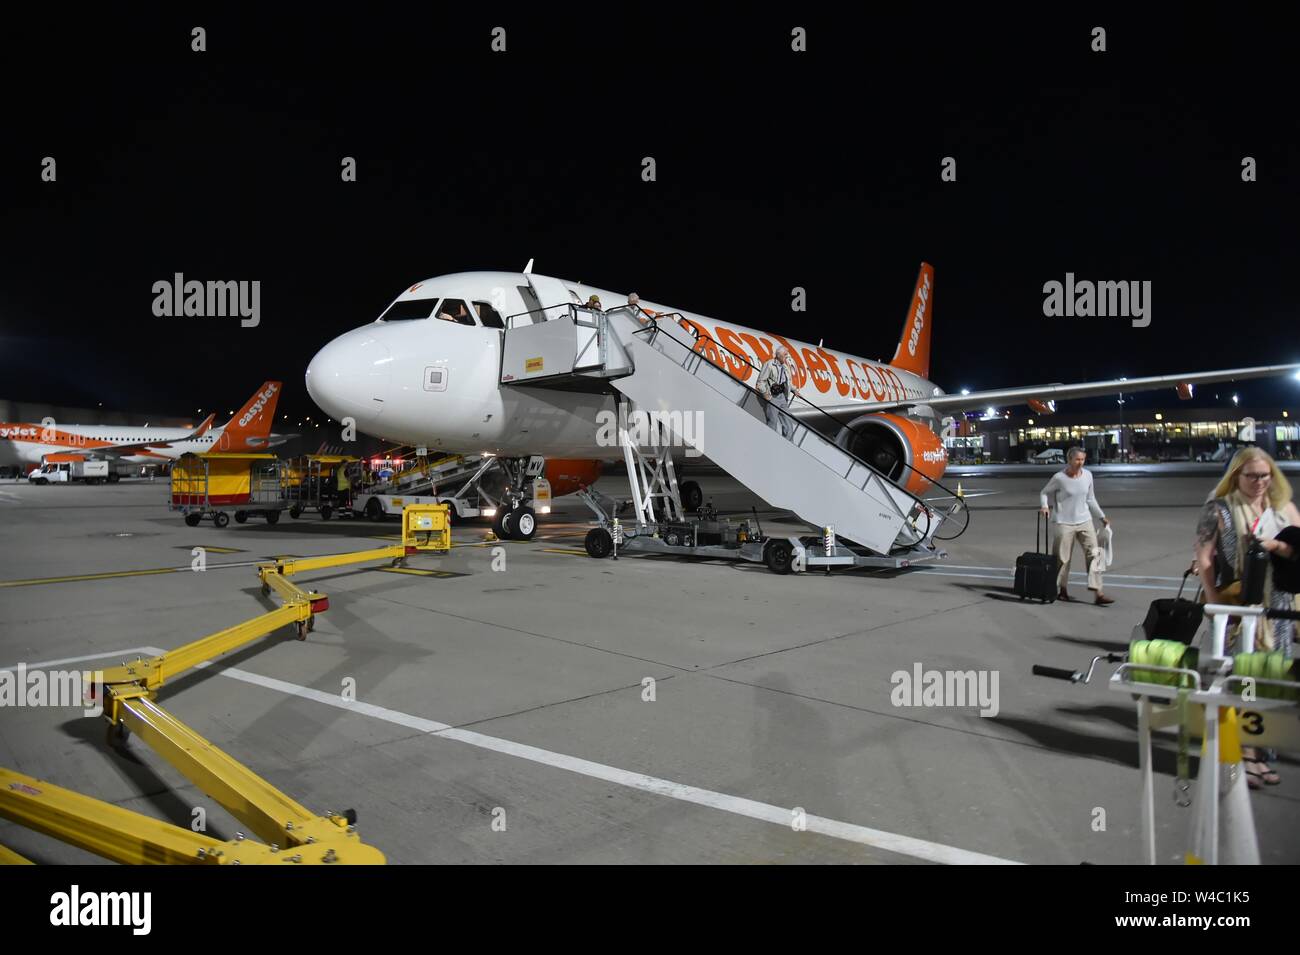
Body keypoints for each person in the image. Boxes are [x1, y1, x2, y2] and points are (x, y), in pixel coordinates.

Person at [1194, 447, 1299, 789]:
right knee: (1245, 683)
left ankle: (1259, 750)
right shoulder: (1219, 509)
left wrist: (1277, 547)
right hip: (1239, 606)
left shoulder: (1284, 509)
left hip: (1278, 607)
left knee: (1270, 680)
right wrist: (1215, 606)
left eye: (1264, 475)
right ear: (1236, 476)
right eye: (1251, 475)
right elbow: (1205, 559)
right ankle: (1247, 754)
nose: (1258, 482)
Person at [1039, 447, 1114, 605]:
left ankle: (1098, 592)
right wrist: (1045, 506)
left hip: (1084, 520)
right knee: (1062, 559)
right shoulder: (1059, 478)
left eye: (1083, 460)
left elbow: (1091, 499)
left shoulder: (1088, 475)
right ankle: (1062, 590)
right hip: (1063, 522)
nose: (1080, 463)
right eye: (1077, 460)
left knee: (1095, 554)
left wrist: (1101, 516)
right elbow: (1044, 492)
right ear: (1069, 460)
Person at [755, 345, 797, 439]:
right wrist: (765, 393)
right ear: (779, 355)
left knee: (788, 424)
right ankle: (770, 443)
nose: (787, 357)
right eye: (785, 355)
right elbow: (760, 381)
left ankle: (788, 445)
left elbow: (787, 382)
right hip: (772, 396)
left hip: (782, 397)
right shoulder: (769, 364)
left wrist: (794, 390)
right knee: (772, 423)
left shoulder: (785, 367)